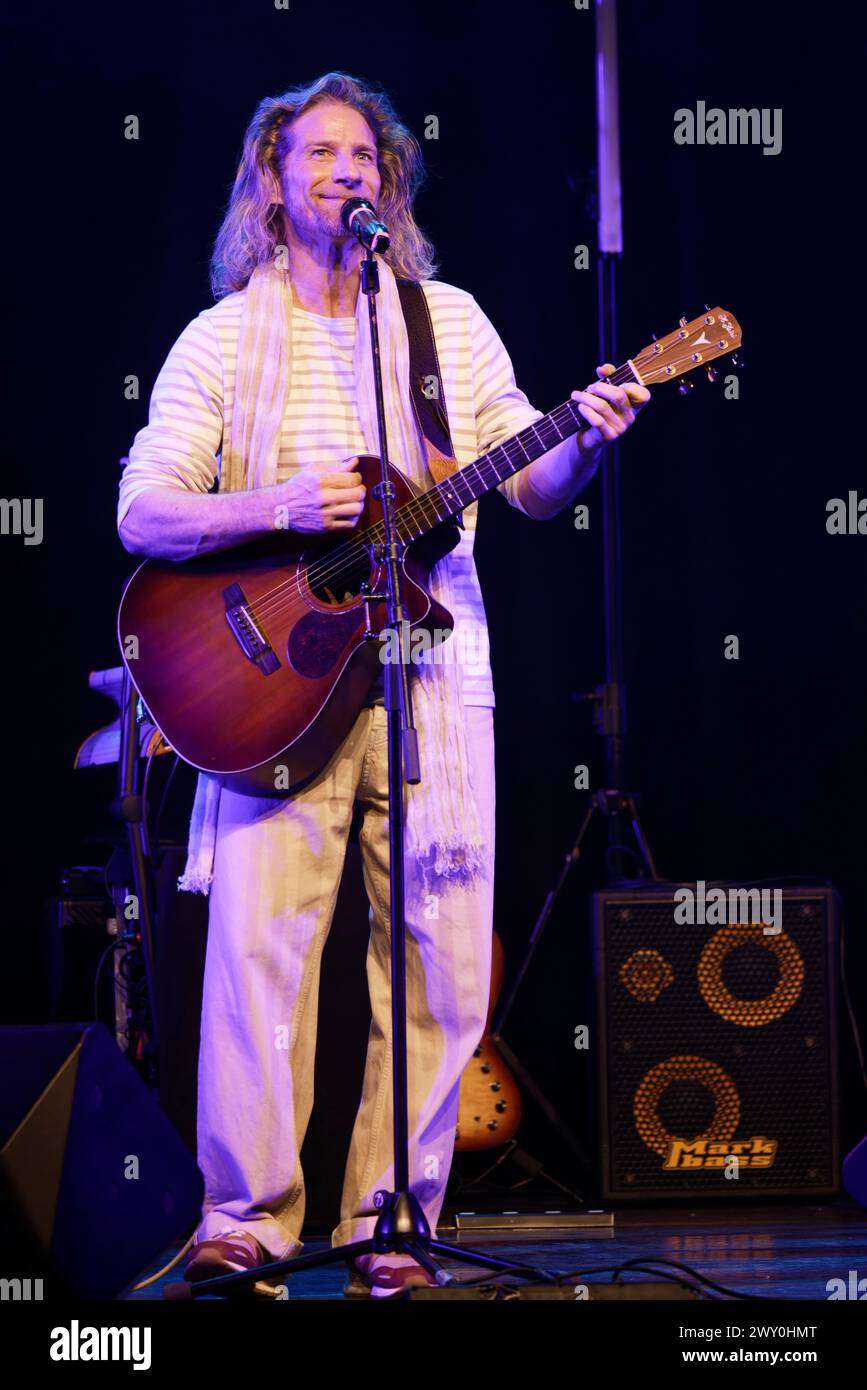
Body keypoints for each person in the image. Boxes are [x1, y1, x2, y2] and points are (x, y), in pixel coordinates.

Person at [117, 71, 650, 1298]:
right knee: (260, 959)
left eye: (365, 157)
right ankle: (246, 1222)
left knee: (441, 961)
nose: (347, 172)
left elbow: (528, 485)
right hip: (276, 687)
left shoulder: (442, 323)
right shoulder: (221, 337)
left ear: (388, 187)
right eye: (320, 155)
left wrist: (583, 435)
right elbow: (143, 509)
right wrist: (280, 506)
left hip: (433, 674)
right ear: (271, 181)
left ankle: (397, 1224)